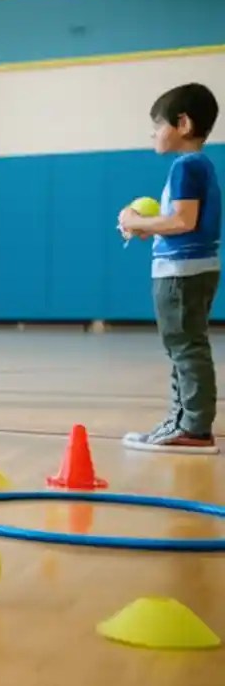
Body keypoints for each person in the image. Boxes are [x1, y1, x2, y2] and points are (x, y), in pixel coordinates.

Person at [118, 82, 220, 453]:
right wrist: (151, 227)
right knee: (183, 345)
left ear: (183, 123)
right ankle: (182, 420)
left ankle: (194, 426)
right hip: (190, 269)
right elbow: (181, 221)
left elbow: (182, 221)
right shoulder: (197, 166)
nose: (153, 133)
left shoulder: (186, 166)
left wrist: (135, 221)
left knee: (185, 347)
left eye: (157, 125)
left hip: (181, 273)